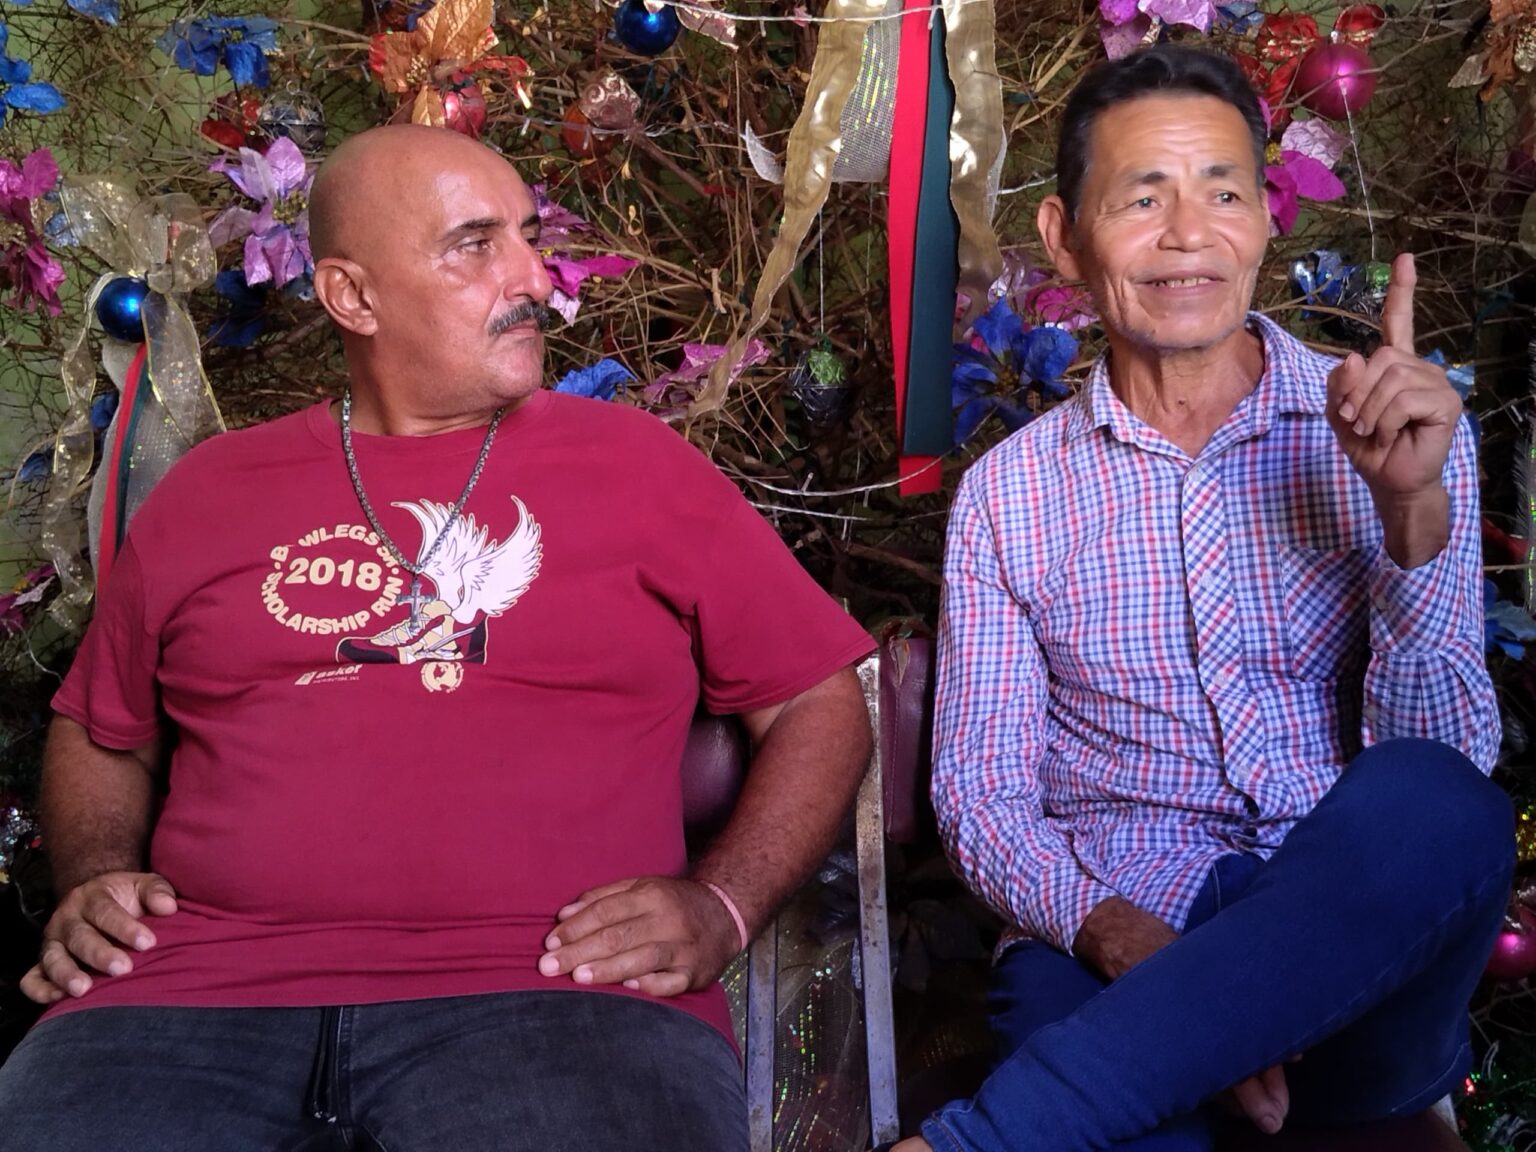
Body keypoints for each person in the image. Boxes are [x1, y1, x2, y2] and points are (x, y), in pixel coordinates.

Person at [0, 124, 876, 1151]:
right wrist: (98, 876)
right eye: (475, 244)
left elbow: (823, 696)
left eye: (529, 236)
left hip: (559, 996)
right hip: (191, 997)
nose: (534, 277)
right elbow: (104, 730)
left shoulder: (637, 466)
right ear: (352, 298)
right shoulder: (211, 494)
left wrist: (724, 906)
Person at [892, 45, 1512, 1152]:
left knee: (1440, 804)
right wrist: (1119, 933)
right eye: (1144, 197)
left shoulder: (1394, 427)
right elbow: (982, 796)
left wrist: (1410, 523)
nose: (1189, 234)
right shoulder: (1007, 496)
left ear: (1268, 222)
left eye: (1224, 191)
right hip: (1116, 941)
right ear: (1062, 238)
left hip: (1351, 931)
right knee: (1078, 1048)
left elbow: (1442, 767)